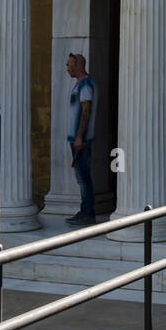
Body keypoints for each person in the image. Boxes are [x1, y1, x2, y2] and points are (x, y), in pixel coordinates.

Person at [65, 52, 97, 226]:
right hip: (77, 139)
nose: (67, 67)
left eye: (69, 64)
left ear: (78, 66)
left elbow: (86, 112)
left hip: (80, 141)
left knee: (83, 177)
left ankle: (88, 214)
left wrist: (79, 137)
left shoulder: (85, 85)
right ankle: (85, 210)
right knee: (81, 177)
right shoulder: (80, 84)